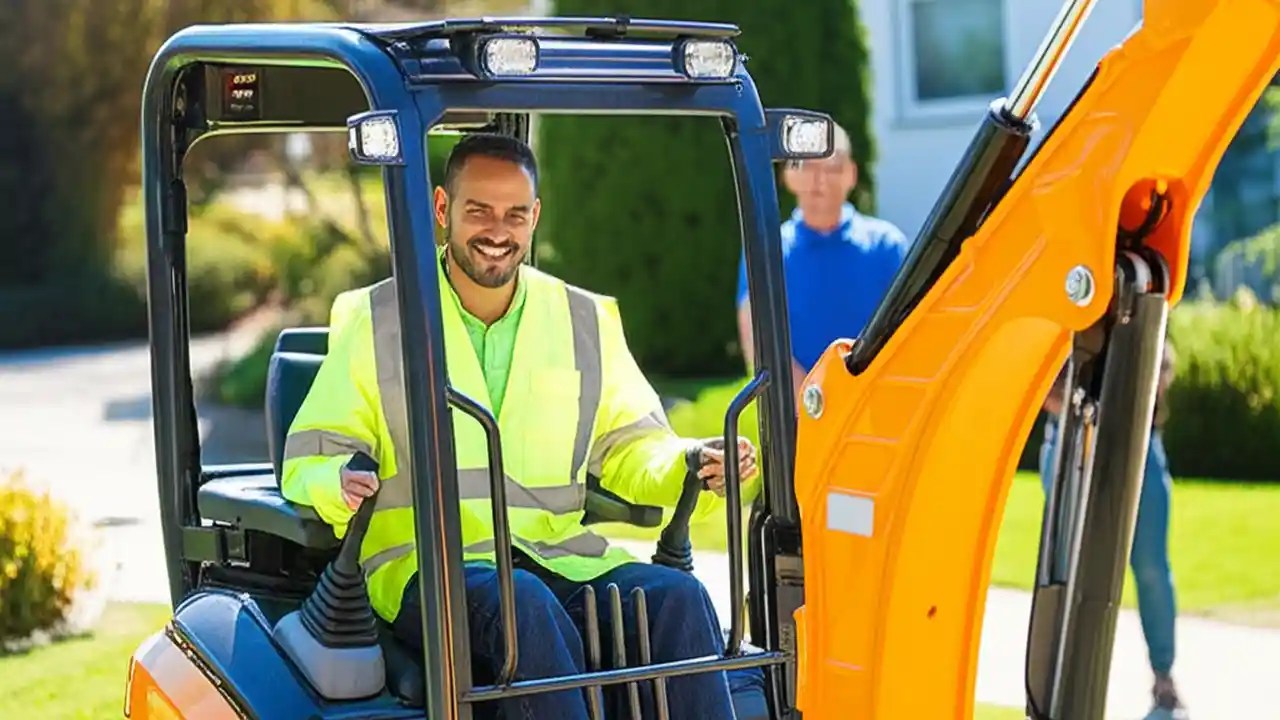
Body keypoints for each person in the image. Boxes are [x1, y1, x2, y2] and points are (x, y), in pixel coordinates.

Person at [281, 133, 758, 720]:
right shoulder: (377, 318)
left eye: (514, 214)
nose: (497, 230)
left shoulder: (583, 318)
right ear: (441, 210)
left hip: (555, 554)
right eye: (478, 210)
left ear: (534, 217)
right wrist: (340, 481)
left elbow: (633, 447)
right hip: (428, 569)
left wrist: (693, 462)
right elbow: (311, 457)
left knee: (678, 598)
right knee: (520, 603)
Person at [1038, 338, 1186, 719]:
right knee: (1067, 569)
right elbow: (1039, 380)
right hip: (1070, 442)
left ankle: (1164, 678)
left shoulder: (1136, 284)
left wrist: (1148, 379)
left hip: (1137, 447)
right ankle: (1061, 684)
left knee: (1151, 568)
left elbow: (1162, 358)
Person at [735, 122, 909, 396]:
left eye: (833, 167)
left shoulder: (887, 246)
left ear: (851, 174)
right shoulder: (768, 251)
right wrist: (810, 400)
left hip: (877, 406)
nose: (821, 180)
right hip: (797, 416)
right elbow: (756, 339)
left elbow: (909, 331)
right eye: (810, 167)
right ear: (789, 175)